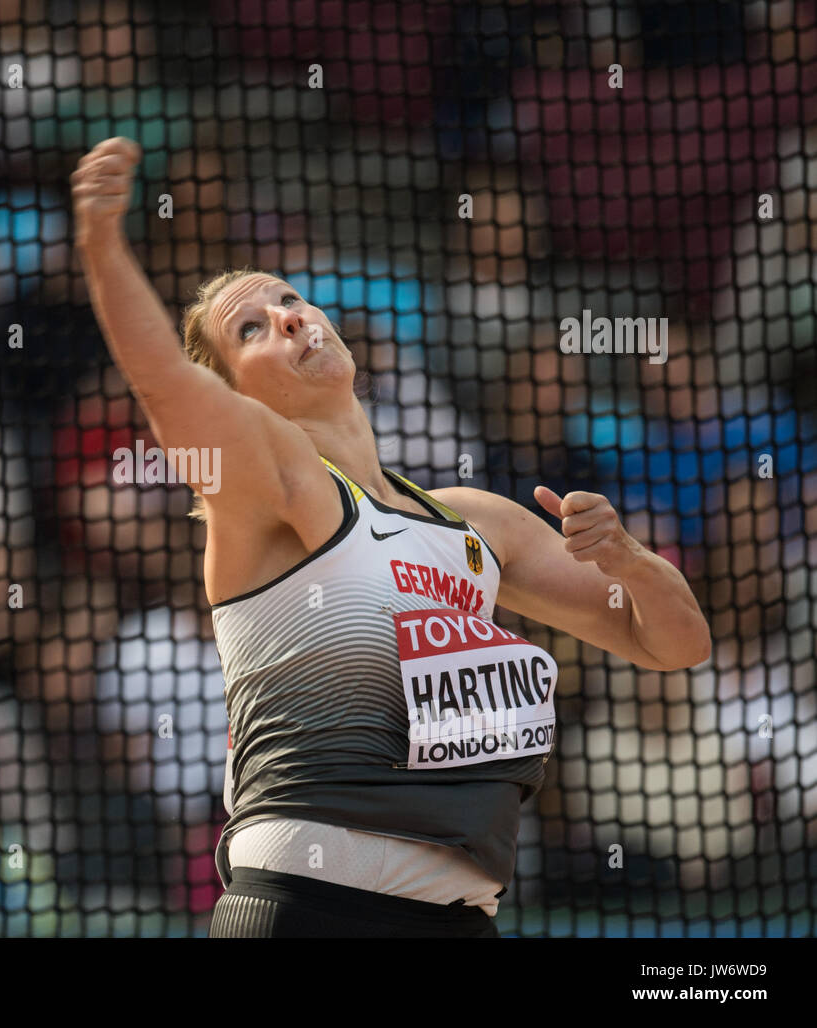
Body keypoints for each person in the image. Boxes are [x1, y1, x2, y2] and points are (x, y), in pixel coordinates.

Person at [70, 137, 713, 938]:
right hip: (309, 908)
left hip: (458, 915)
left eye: (291, 299)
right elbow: (164, 380)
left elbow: (675, 645)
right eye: (253, 328)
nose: (292, 317)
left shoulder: (476, 520)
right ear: (236, 395)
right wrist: (100, 239)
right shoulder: (280, 487)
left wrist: (630, 561)